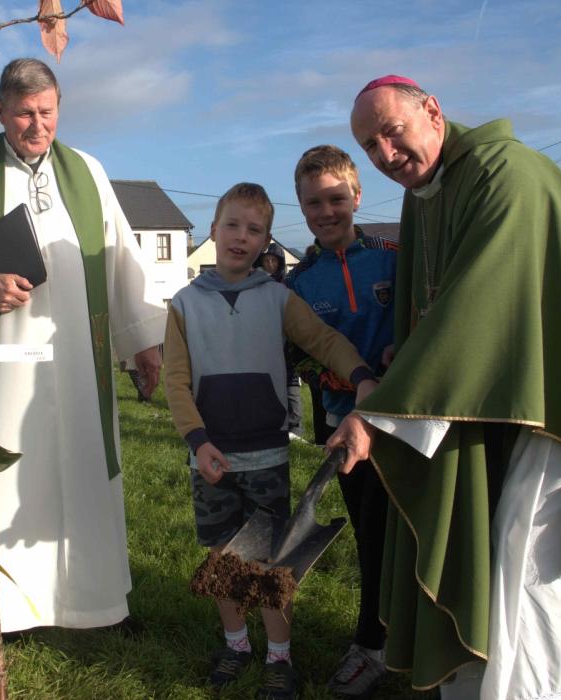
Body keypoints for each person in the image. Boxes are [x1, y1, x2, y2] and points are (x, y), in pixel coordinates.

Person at [330, 75, 561, 699]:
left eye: (390, 133)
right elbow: (434, 306)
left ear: (432, 110)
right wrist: (409, 354)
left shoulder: (506, 174)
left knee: (539, 563)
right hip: (496, 396)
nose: (384, 155)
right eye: (369, 146)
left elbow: (483, 300)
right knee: (497, 556)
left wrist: (381, 412)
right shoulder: (424, 196)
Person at [0, 57, 166, 632]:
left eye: (46, 112)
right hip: (4, 361)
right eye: (24, 113)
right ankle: (2, 612)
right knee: (5, 477)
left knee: (80, 470)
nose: (36, 125)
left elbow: (121, 256)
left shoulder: (87, 171)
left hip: (79, 356)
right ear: (0, 110)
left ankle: (88, 601)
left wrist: (142, 344)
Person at [165, 183, 378, 700]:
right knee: (222, 560)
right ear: (213, 231)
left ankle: (279, 657)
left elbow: (324, 342)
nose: (241, 237)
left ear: (265, 243)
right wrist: (198, 440)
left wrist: (363, 374)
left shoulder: (279, 298)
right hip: (210, 457)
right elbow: (174, 381)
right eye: (232, 225)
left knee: (271, 562)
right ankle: (236, 644)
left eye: (254, 230)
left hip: (266, 456)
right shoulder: (184, 304)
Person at [285, 144, 397, 699]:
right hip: (345, 432)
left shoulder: (394, 257)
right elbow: (296, 354)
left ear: (356, 195)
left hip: (408, 422)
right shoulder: (301, 283)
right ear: (302, 209)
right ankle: (371, 648)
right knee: (372, 536)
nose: (326, 212)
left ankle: (426, 639)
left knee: (422, 535)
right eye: (314, 204)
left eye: (336, 198)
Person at [254, 241, 303, 438]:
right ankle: (274, 426)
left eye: (274, 260)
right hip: (265, 340)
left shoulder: (288, 283)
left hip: (288, 340)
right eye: (267, 260)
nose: (270, 264)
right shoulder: (255, 283)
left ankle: (296, 428)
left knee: (292, 385)